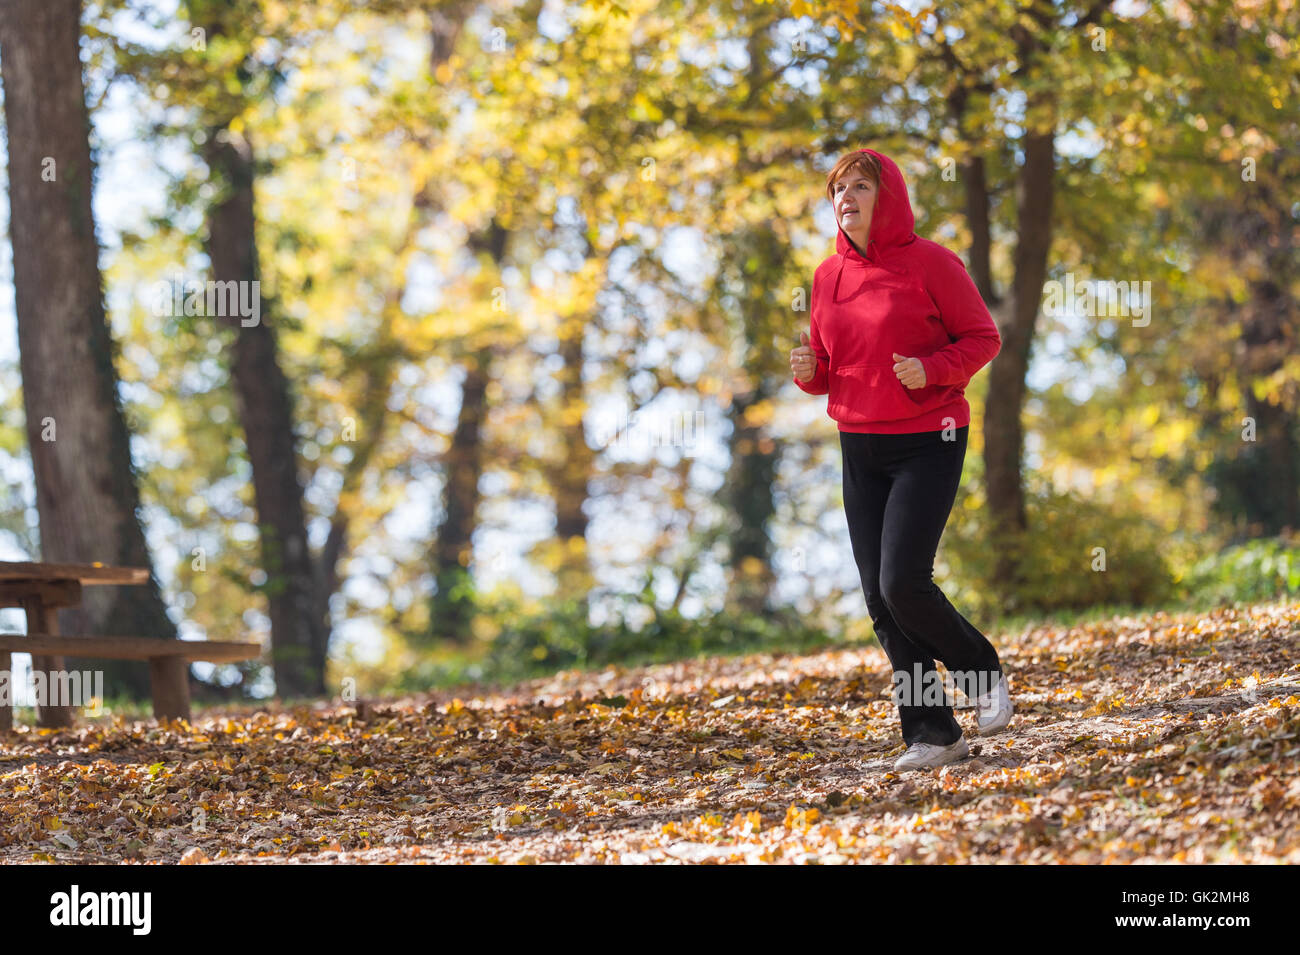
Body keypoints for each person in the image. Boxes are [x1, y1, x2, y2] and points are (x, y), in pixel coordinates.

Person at [790, 147, 1013, 772]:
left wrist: (931, 369)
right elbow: (833, 366)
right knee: (880, 602)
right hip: (859, 445)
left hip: (928, 438)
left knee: (903, 583)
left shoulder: (931, 263)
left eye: (861, 186)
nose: (846, 198)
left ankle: (982, 670)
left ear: (887, 197)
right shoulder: (825, 276)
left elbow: (982, 337)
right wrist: (811, 373)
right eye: (838, 190)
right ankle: (934, 734)